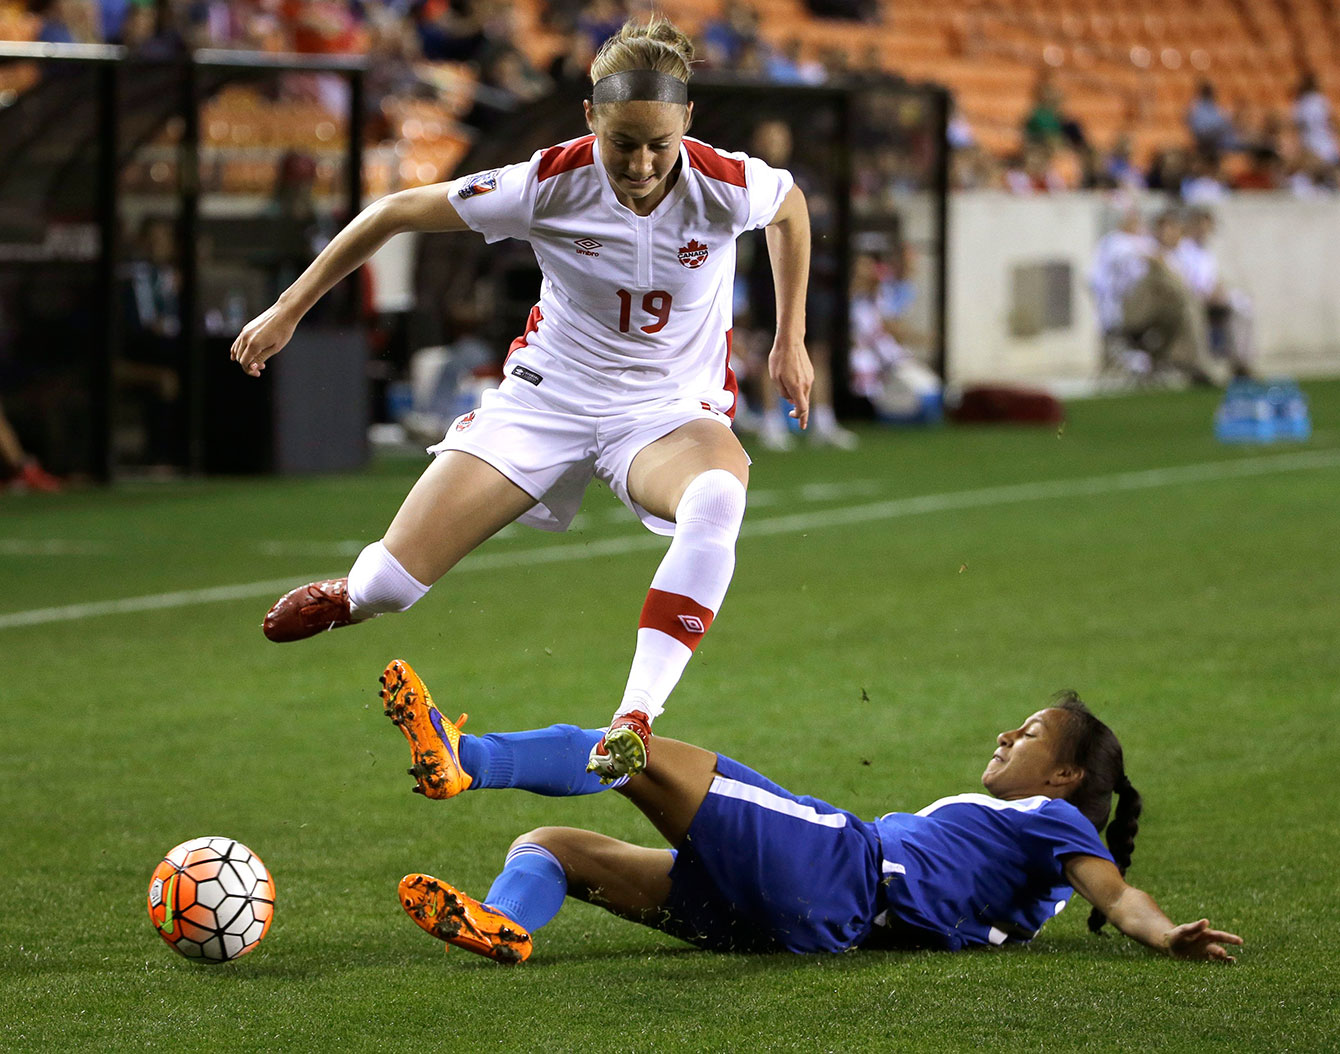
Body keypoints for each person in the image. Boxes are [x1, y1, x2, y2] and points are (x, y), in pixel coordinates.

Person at [230, 17, 815, 782]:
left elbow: (792, 209)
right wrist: (287, 311)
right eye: (622, 142)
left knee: (716, 502)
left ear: (688, 125)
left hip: (667, 413)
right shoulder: (545, 183)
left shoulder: (727, 185)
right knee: (392, 587)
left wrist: (789, 337)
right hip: (545, 404)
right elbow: (392, 211)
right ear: (589, 120)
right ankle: (355, 594)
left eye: (659, 145)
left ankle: (633, 717)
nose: (640, 163)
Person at [378, 659, 1243, 965]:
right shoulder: (1023, 876)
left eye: (1029, 734)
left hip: (840, 867)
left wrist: (1163, 933)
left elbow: (1117, 893)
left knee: (627, 748)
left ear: (1061, 782)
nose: (1006, 733)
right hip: (807, 922)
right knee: (554, 845)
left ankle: (468, 760)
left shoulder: (1056, 828)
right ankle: (503, 924)